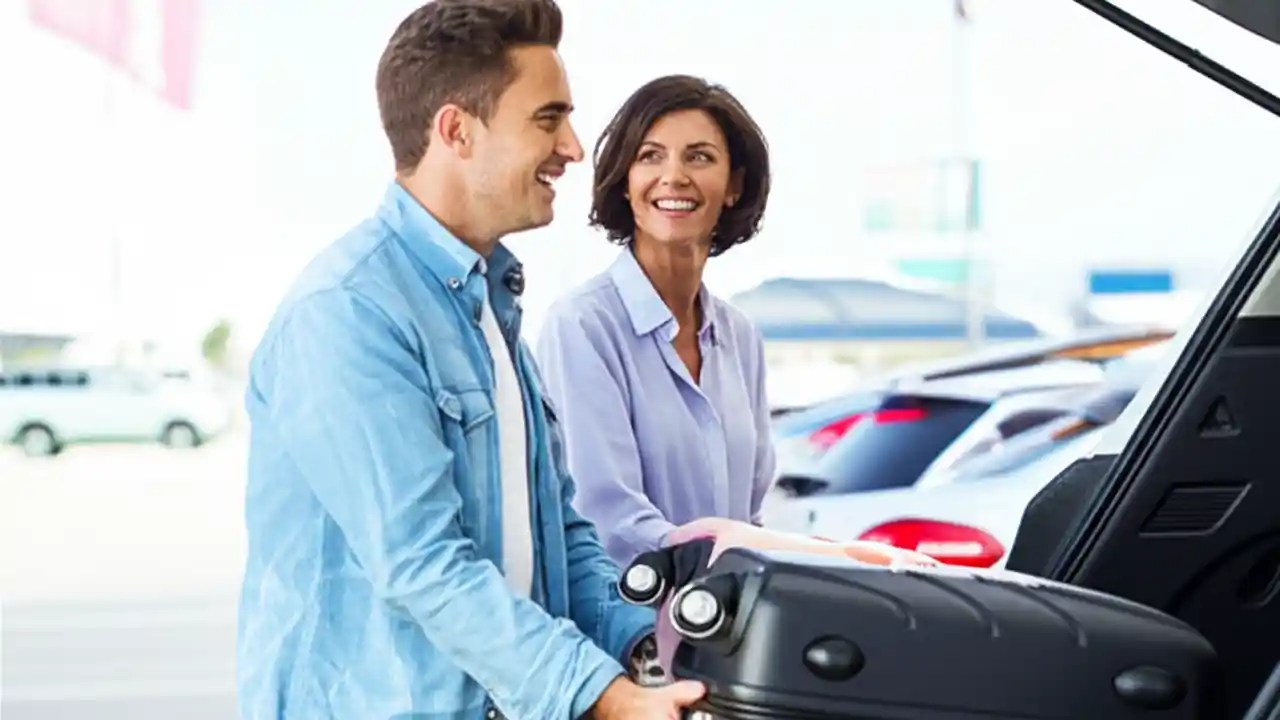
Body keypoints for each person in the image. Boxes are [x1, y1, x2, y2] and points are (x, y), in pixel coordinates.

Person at [235, 2, 705, 718]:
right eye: (548, 119)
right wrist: (603, 698)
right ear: (457, 130)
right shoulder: (348, 312)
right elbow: (422, 563)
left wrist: (652, 654)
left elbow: (561, 536)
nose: (574, 148)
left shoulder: (491, 306)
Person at [535, 75, 776, 568]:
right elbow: (606, 519)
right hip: (627, 631)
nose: (674, 176)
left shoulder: (740, 338)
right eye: (650, 156)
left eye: (699, 156)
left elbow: (747, 516)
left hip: (718, 628)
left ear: (734, 186)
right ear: (625, 181)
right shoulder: (582, 327)